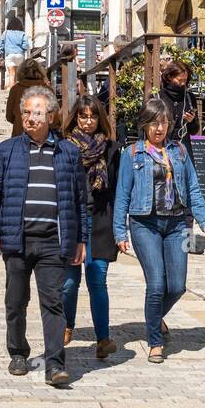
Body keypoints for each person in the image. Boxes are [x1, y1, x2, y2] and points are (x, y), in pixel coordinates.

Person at [0, 86, 88, 387]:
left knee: (53, 302)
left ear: (51, 116)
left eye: (36, 112)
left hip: (53, 241)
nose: (29, 118)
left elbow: (82, 201)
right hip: (17, 238)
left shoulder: (68, 152)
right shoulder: (7, 150)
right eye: (25, 112)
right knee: (15, 300)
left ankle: (55, 364)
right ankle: (18, 352)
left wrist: (82, 239)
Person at [113, 97, 205, 363]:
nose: (159, 128)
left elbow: (193, 187)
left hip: (178, 224)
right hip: (144, 223)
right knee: (157, 284)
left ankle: (154, 317)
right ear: (144, 125)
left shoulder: (179, 151)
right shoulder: (133, 153)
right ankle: (155, 341)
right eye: (154, 123)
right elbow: (122, 194)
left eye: (164, 122)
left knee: (178, 286)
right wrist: (119, 232)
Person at [62, 95, 120, 359]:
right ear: (75, 117)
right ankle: (66, 325)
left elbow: (117, 189)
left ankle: (103, 338)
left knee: (98, 280)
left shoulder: (110, 149)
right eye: (83, 116)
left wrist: (120, 226)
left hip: (99, 218)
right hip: (71, 219)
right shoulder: (64, 147)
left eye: (92, 116)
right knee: (69, 283)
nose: (87, 122)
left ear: (100, 119)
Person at [157, 60, 200, 149]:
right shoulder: (157, 97)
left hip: (183, 148)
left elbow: (194, 130)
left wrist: (191, 121)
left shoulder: (189, 97)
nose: (183, 83)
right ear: (169, 77)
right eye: (180, 80)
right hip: (161, 148)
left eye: (185, 80)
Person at [5, 59, 48, 137]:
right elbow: (55, 117)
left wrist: (19, 121)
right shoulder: (47, 89)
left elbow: (9, 116)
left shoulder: (15, 89)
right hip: (42, 136)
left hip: (19, 134)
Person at [0, 15, 29, 86]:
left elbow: (1, 44)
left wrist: (1, 52)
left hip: (9, 55)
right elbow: (25, 44)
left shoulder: (6, 33)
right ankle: (17, 92)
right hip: (19, 55)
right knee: (18, 75)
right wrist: (22, 50)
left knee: (11, 74)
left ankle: (12, 92)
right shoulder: (22, 33)